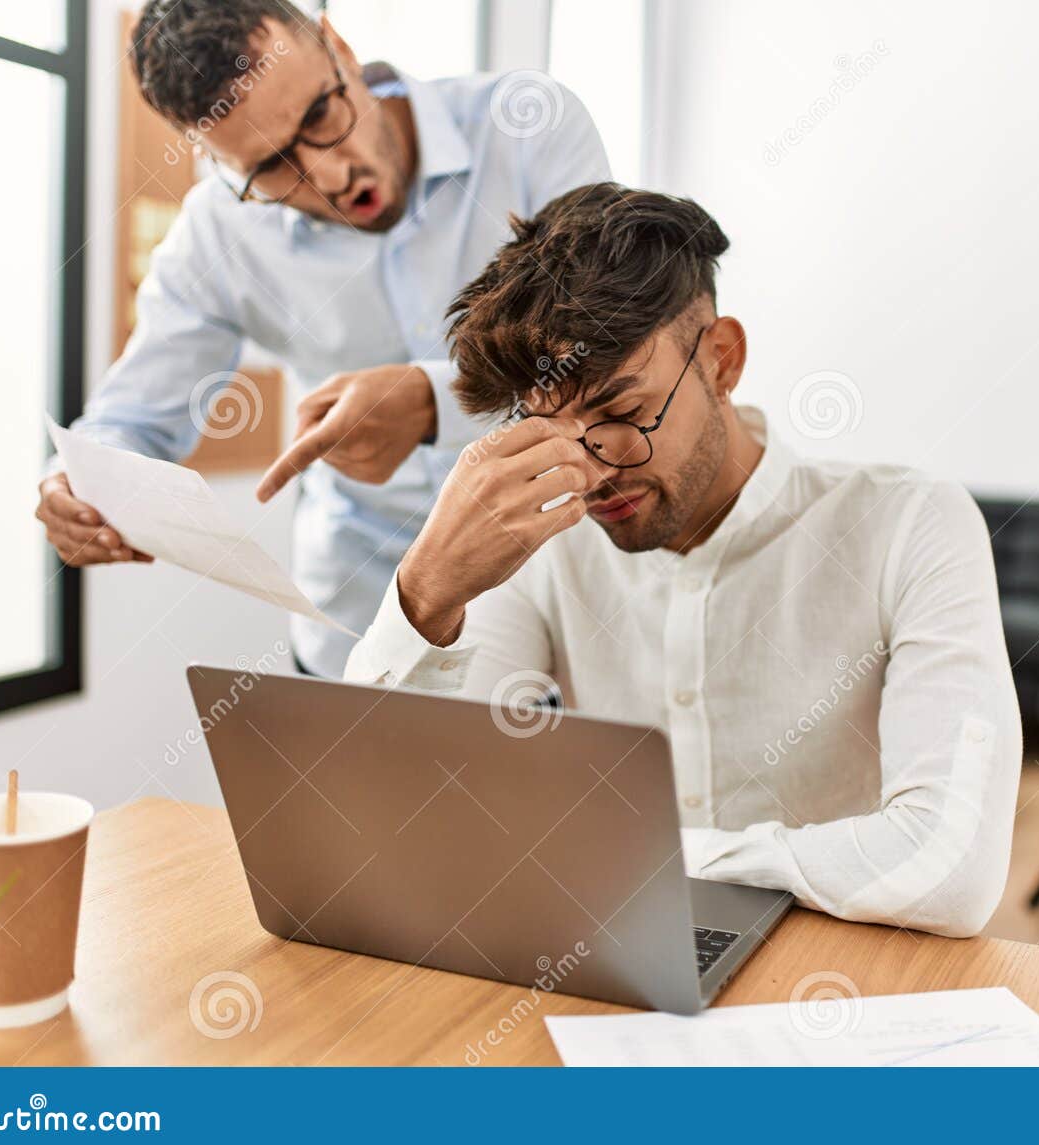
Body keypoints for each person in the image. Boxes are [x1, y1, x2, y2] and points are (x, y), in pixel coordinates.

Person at [343, 184, 1022, 936]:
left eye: (625, 415)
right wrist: (426, 586)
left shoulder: (910, 525)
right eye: (551, 433)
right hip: (618, 972)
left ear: (722, 361)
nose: (591, 472)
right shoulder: (548, 540)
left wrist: (644, 856)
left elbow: (950, 866)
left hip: (849, 983)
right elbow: (398, 821)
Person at [34, 0, 609, 676]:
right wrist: (78, 482)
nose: (333, 176)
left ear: (338, 46)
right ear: (217, 160)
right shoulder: (218, 235)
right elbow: (129, 421)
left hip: (562, 596)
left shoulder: (525, 124)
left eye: (319, 115)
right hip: (359, 623)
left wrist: (432, 401)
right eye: (273, 166)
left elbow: (606, 342)